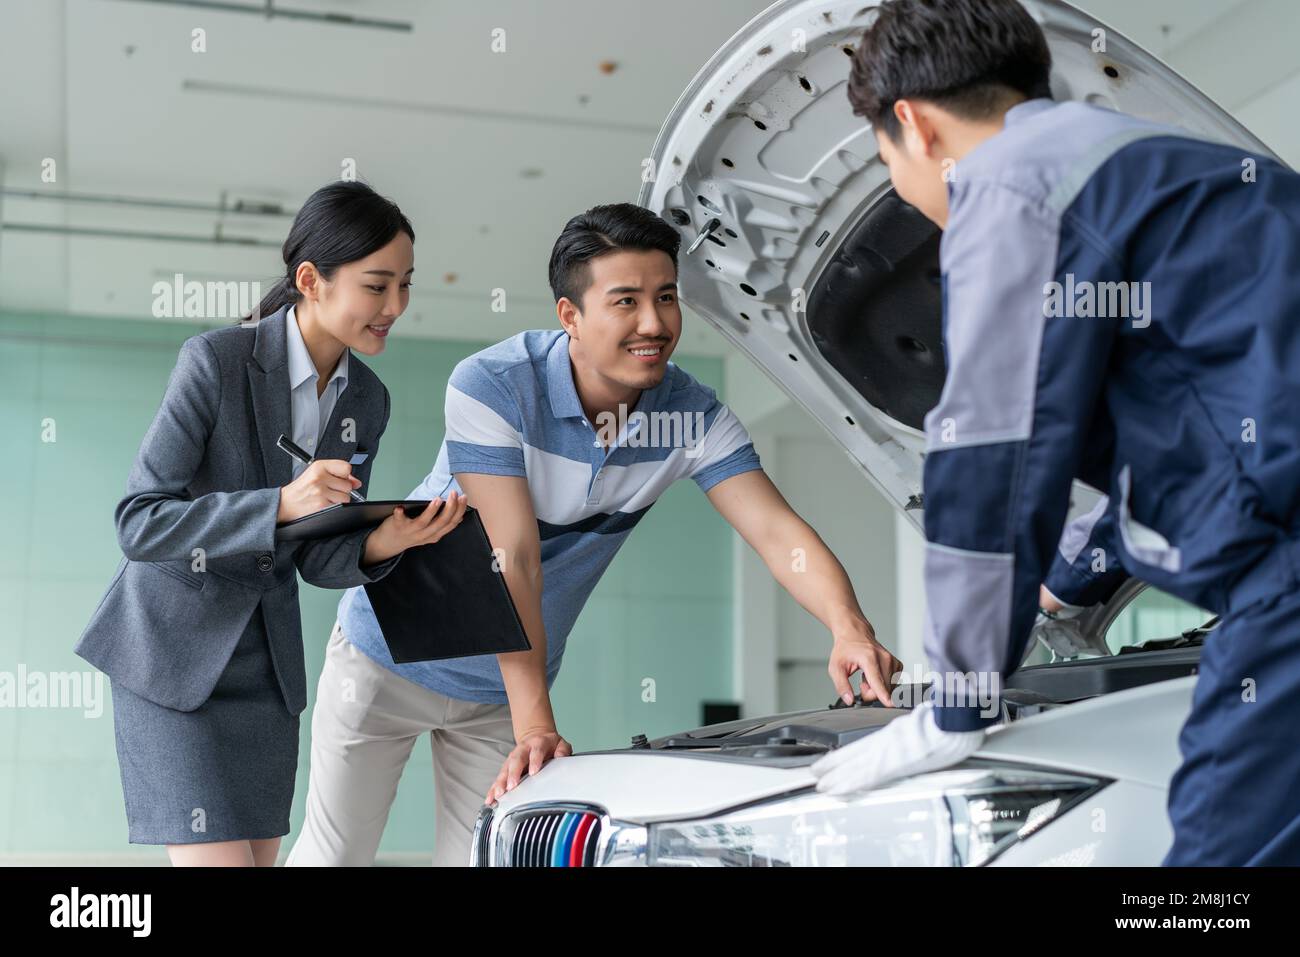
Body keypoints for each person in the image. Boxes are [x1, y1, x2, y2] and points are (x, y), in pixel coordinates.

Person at [809, 0, 1300, 866]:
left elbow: (992, 455)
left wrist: (960, 698)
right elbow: (1210, 432)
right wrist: (1067, 583)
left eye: (885, 162)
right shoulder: (1187, 170)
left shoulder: (1011, 186)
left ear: (915, 127)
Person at [286, 202, 902, 866]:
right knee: (335, 854)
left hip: (499, 688)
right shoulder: (493, 385)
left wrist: (847, 625)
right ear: (570, 317)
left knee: (483, 859)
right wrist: (536, 727)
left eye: (666, 297)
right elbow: (512, 556)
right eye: (626, 300)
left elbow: (779, 533)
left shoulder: (690, 414)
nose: (654, 322)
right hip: (388, 658)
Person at [75, 181, 467, 866]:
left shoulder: (368, 401)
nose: (396, 306)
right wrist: (280, 502)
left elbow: (317, 558)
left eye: (405, 285)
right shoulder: (217, 362)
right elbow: (139, 522)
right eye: (378, 286)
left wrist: (384, 540)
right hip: (174, 661)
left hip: (267, 675)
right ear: (311, 280)